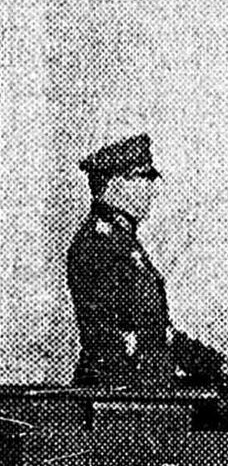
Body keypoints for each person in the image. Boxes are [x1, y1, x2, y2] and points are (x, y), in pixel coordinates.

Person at [65, 134, 179, 388]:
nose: (151, 189)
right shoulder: (98, 244)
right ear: (113, 184)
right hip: (116, 393)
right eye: (143, 178)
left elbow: (158, 329)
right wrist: (137, 386)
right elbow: (104, 335)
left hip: (141, 386)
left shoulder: (125, 243)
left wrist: (208, 362)